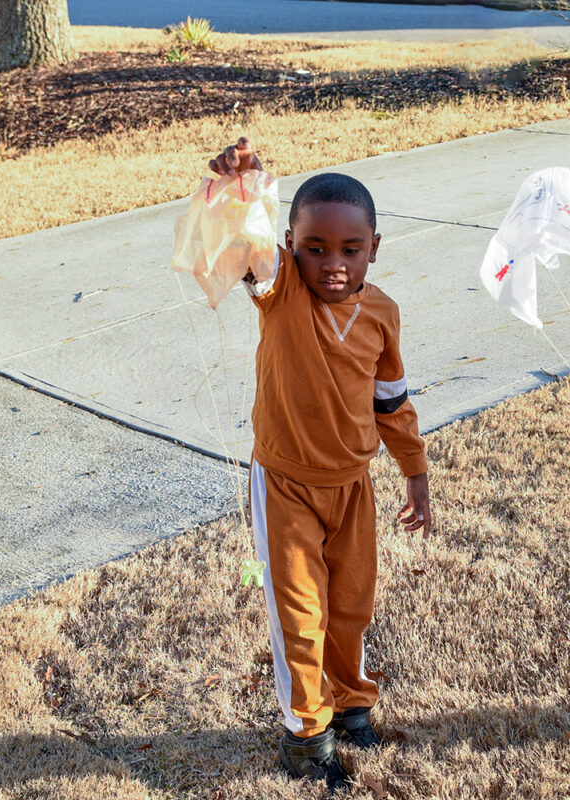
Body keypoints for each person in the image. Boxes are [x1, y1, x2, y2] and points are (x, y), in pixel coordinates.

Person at [208, 139, 433, 793]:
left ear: (374, 248)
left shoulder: (382, 313)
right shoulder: (281, 294)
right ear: (291, 246)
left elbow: (391, 401)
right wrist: (245, 190)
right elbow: (252, 255)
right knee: (300, 615)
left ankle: (351, 701)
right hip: (286, 487)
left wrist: (415, 472)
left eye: (349, 249)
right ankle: (306, 736)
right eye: (315, 248)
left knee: (351, 606)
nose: (332, 264)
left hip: (352, 488)